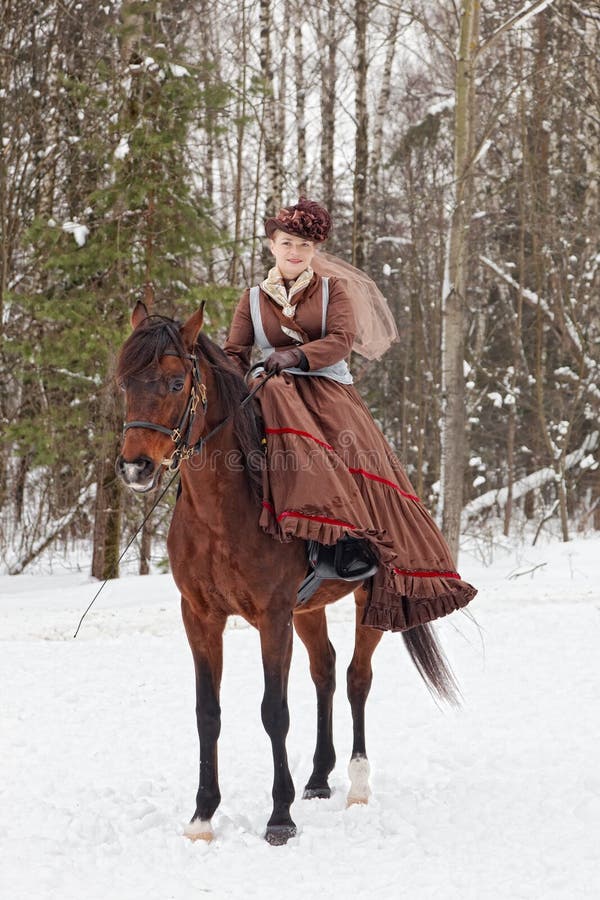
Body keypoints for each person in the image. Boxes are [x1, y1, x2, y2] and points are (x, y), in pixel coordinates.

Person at [223, 198, 476, 631]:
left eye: (304, 245)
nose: (294, 252)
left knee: (355, 457)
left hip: (325, 390)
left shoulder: (332, 290)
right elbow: (234, 353)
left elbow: (341, 339)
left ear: (315, 250)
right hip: (269, 390)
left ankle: (347, 543)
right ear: (272, 245)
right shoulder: (251, 299)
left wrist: (295, 356)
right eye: (287, 243)